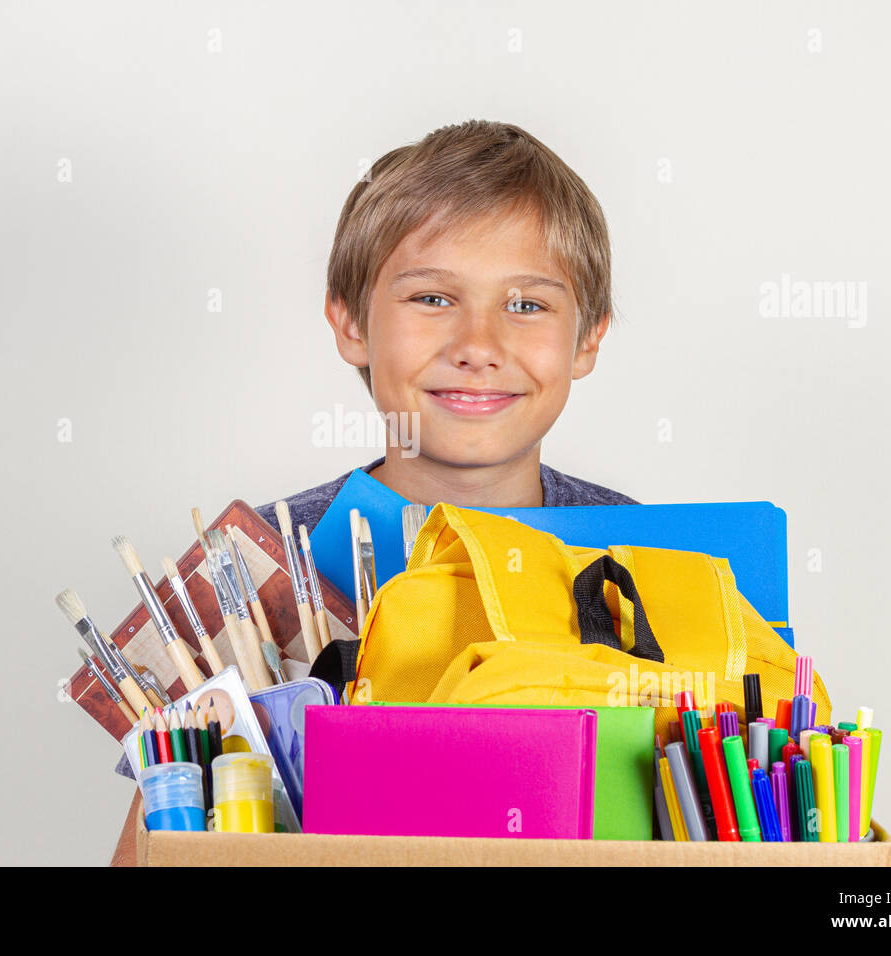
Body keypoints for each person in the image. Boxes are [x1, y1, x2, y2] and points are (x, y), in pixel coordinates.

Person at [111, 119, 635, 864]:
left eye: (526, 304)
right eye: (431, 299)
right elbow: (151, 848)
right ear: (352, 323)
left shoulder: (648, 552)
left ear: (588, 338)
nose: (478, 346)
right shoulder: (257, 572)